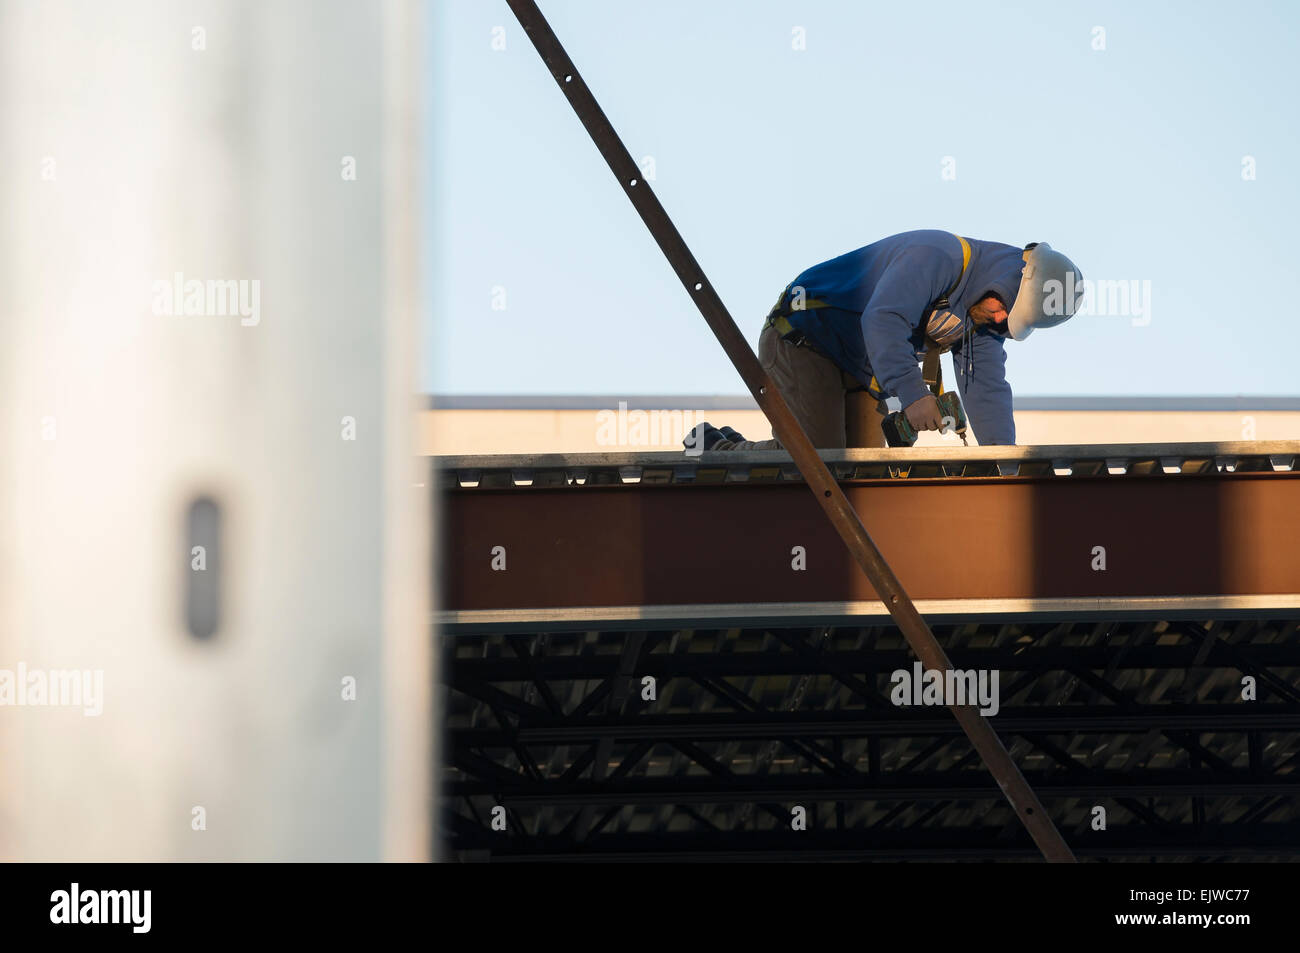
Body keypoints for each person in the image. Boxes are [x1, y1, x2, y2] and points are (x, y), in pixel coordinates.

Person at [685, 230, 1084, 451]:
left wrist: (1003, 465)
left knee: (859, 476)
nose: (999, 319)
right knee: (817, 464)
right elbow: (884, 318)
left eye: (1010, 321)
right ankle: (715, 450)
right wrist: (913, 395)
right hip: (803, 338)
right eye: (1004, 307)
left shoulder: (985, 318)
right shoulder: (938, 256)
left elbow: (987, 388)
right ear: (1009, 276)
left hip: (858, 368)